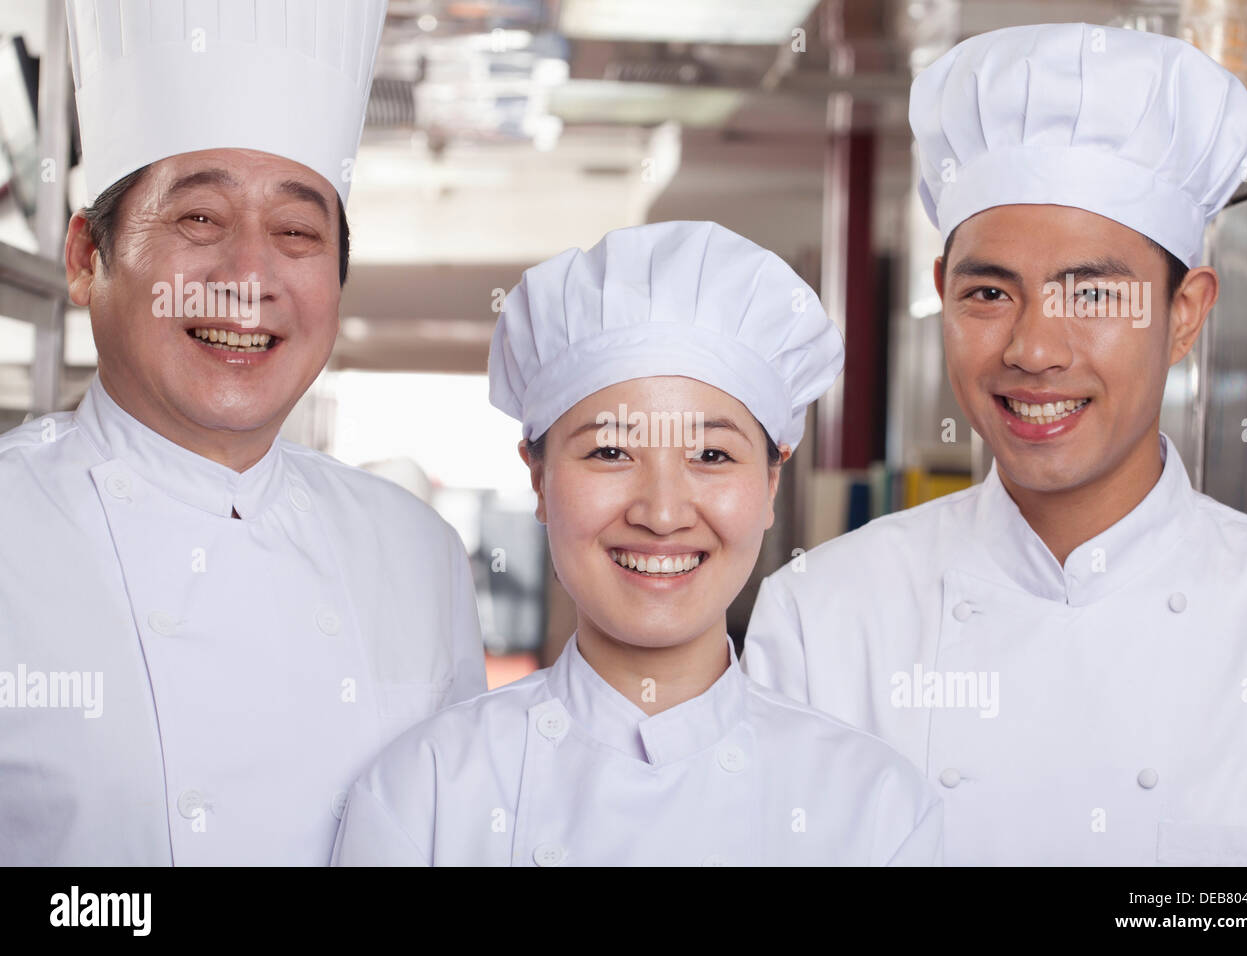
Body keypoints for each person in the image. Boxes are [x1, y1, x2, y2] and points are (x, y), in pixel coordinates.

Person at [741, 22, 1247, 866]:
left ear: (1184, 315)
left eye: (1094, 294)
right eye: (992, 292)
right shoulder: (824, 619)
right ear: (944, 297)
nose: (1034, 349)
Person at [0, 0, 485, 865]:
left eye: (297, 231)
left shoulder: (418, 555)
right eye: (199, 219)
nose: (248, 277)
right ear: (85, 258)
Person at [331, 220, 942, 866]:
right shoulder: (424, 793)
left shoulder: (878, 810)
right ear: (538, 478)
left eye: (710, 453)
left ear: (770, 483)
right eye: (611, 451)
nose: (662, 511)